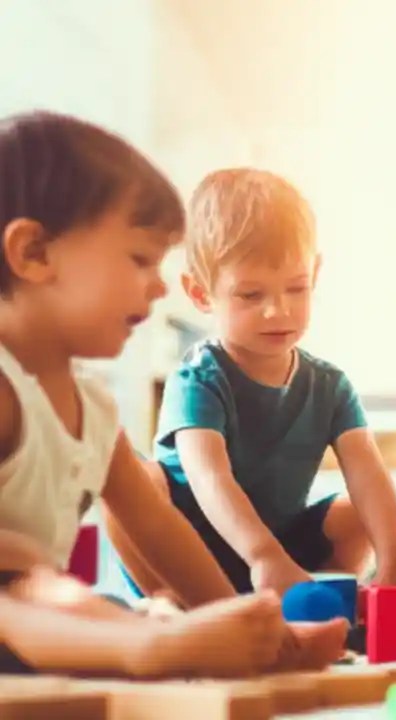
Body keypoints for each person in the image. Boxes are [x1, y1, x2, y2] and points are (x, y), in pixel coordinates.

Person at [0, 111, 344, 676]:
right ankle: (149, 647)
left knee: (82, 600)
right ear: (34, 253)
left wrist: (244, 621)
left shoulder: (92, 411)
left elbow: (158, 528)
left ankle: (170, 636)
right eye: (139, 259)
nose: (159, 286)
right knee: (46, 590)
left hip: (38, 623)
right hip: (23, 607)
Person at [109, 168, 396, 597]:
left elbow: (368, 473)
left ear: (316, 273)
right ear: (200, 293)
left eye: (296, 288)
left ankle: (317, 600)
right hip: (191, 554)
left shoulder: (330, 385)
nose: (278, 311)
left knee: (360, 510)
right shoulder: (199, 377)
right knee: (139, 479)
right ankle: (180, 608)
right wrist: (261, 555)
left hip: (282, 551)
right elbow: (210, 477)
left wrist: (395, 558)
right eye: (251, 295)